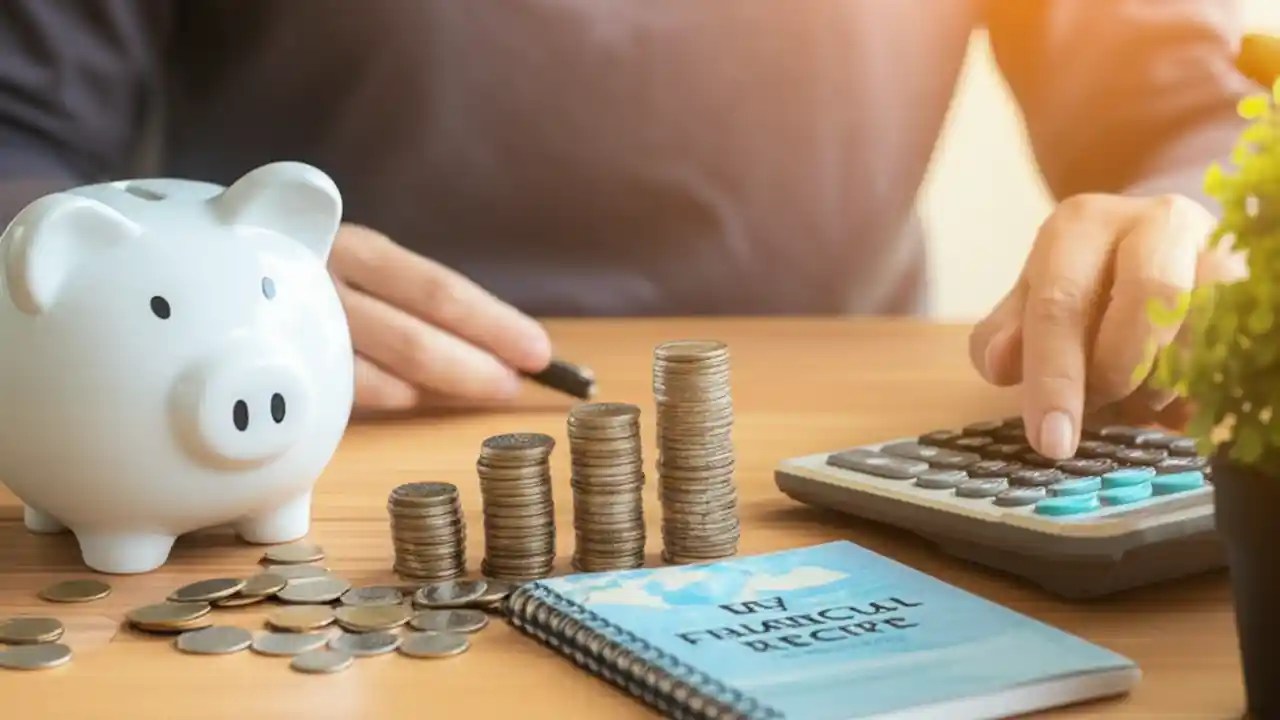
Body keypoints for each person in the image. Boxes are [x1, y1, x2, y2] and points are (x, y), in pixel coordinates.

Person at [0, 1, 1258, 459]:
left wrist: (1197, 223)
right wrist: (186, 280)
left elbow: (1194, 105)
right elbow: (17, 136)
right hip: (294, 425)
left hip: (826, 431)